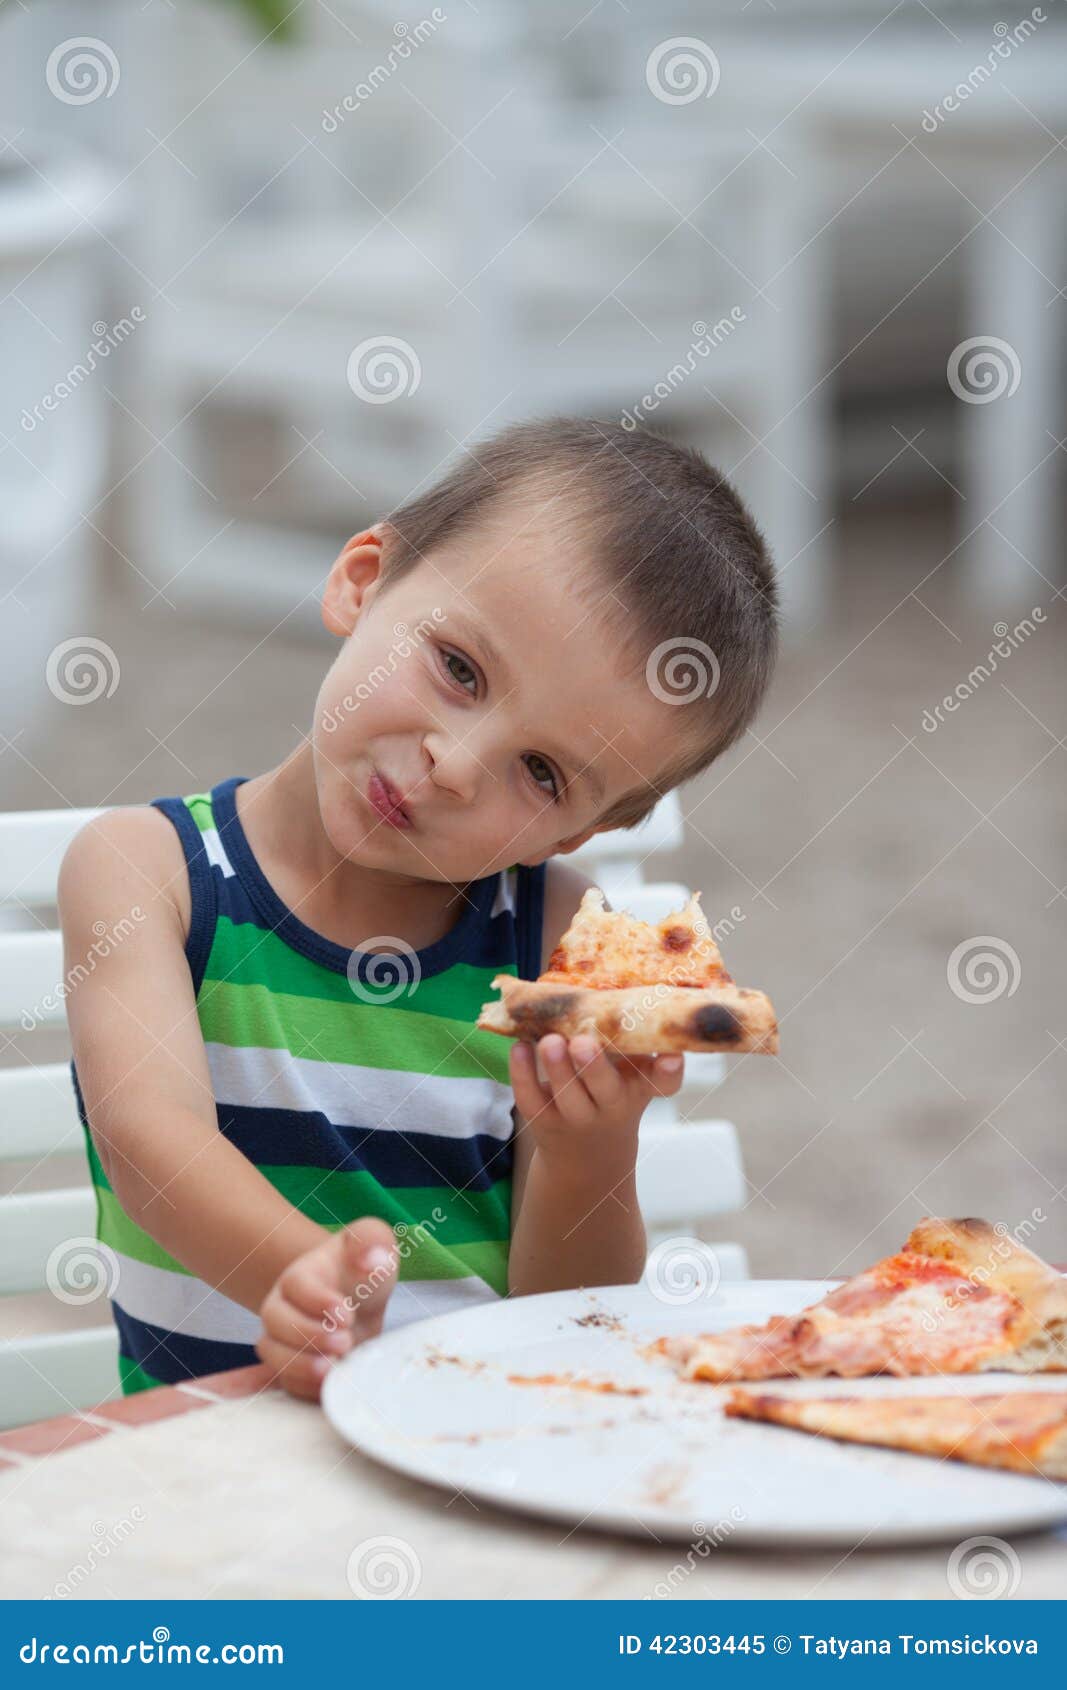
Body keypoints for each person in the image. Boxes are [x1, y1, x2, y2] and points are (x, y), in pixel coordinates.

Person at [60, 417, 777, 1401]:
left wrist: (585, 1145)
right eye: (460, 669)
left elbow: (573, 1327)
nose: (455, 764)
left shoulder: (556, 951)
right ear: (364, 579)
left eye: (540, 771)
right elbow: (149, 1140)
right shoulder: (150, 872)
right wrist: (304, 1277)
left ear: (571, 834)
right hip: (203, 1471)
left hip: (469, 1455)